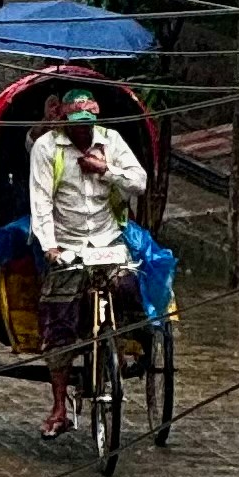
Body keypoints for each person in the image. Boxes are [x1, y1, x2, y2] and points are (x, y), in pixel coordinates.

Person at [30, 87, 156, 437]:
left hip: (107, 240)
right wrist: (50, 247)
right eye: (77, 125)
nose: (83, 131)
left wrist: (105, 169)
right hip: (67, 244)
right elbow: (41, 202)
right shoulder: (47, 148)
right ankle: (59, 407)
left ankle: (130, 343)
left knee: (130, 289)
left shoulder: (111, 141)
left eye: (88, 124)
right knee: (58, 321)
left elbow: (140, 182)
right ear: (65, 122)